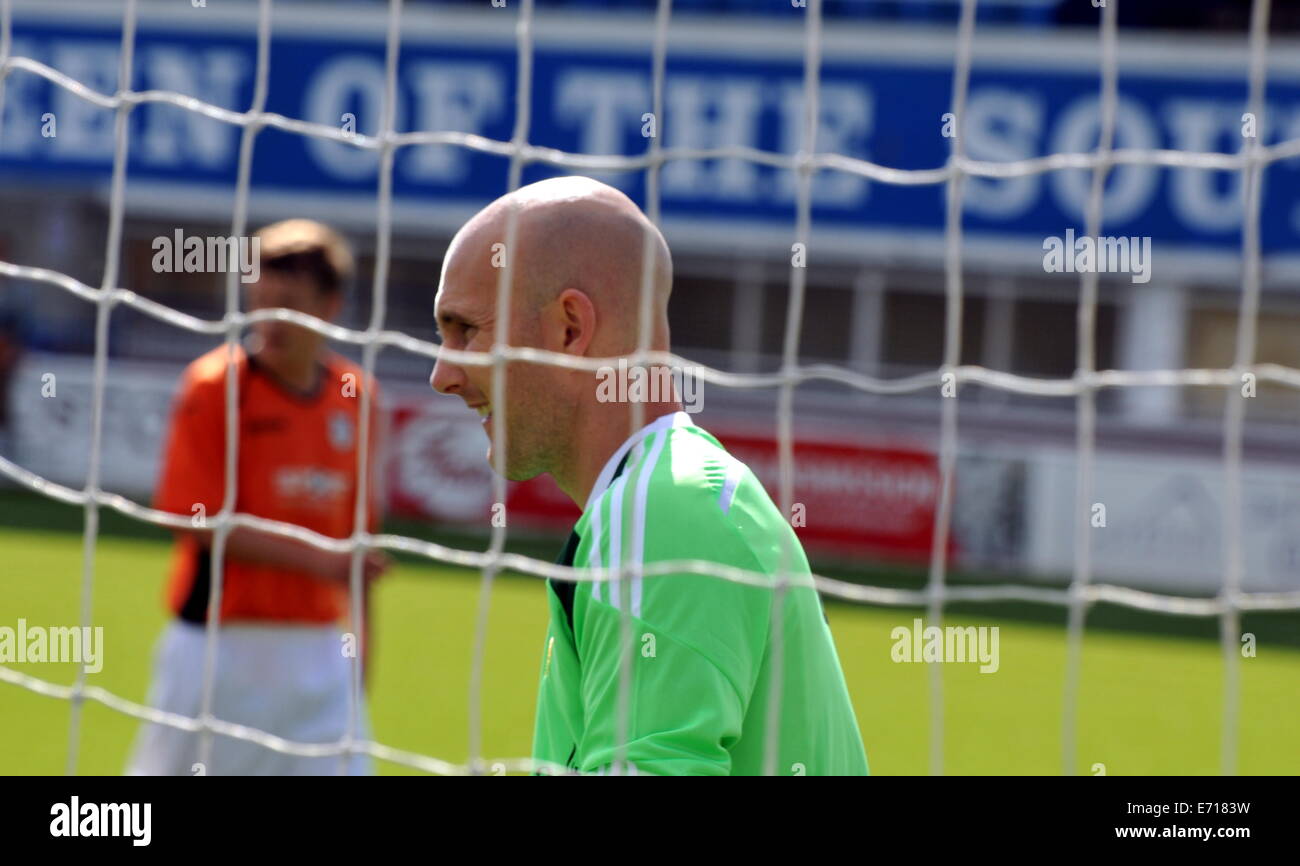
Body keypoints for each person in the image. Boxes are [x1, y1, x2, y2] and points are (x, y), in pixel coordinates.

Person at [430, 176, 869, 775]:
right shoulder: (663, 494)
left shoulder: (661, 510)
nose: (443, 375)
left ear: (569, 330)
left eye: (465, 331)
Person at [128, 219, 388, 776]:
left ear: (330, 305)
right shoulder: (214, 387)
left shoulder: (357, 398)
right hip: (218, 648)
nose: (270, 319)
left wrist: (360, 660)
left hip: (321, 652)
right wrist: (323, 560)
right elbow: (193, 519)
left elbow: (357, 551)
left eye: (288, 303)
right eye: (260, 299)